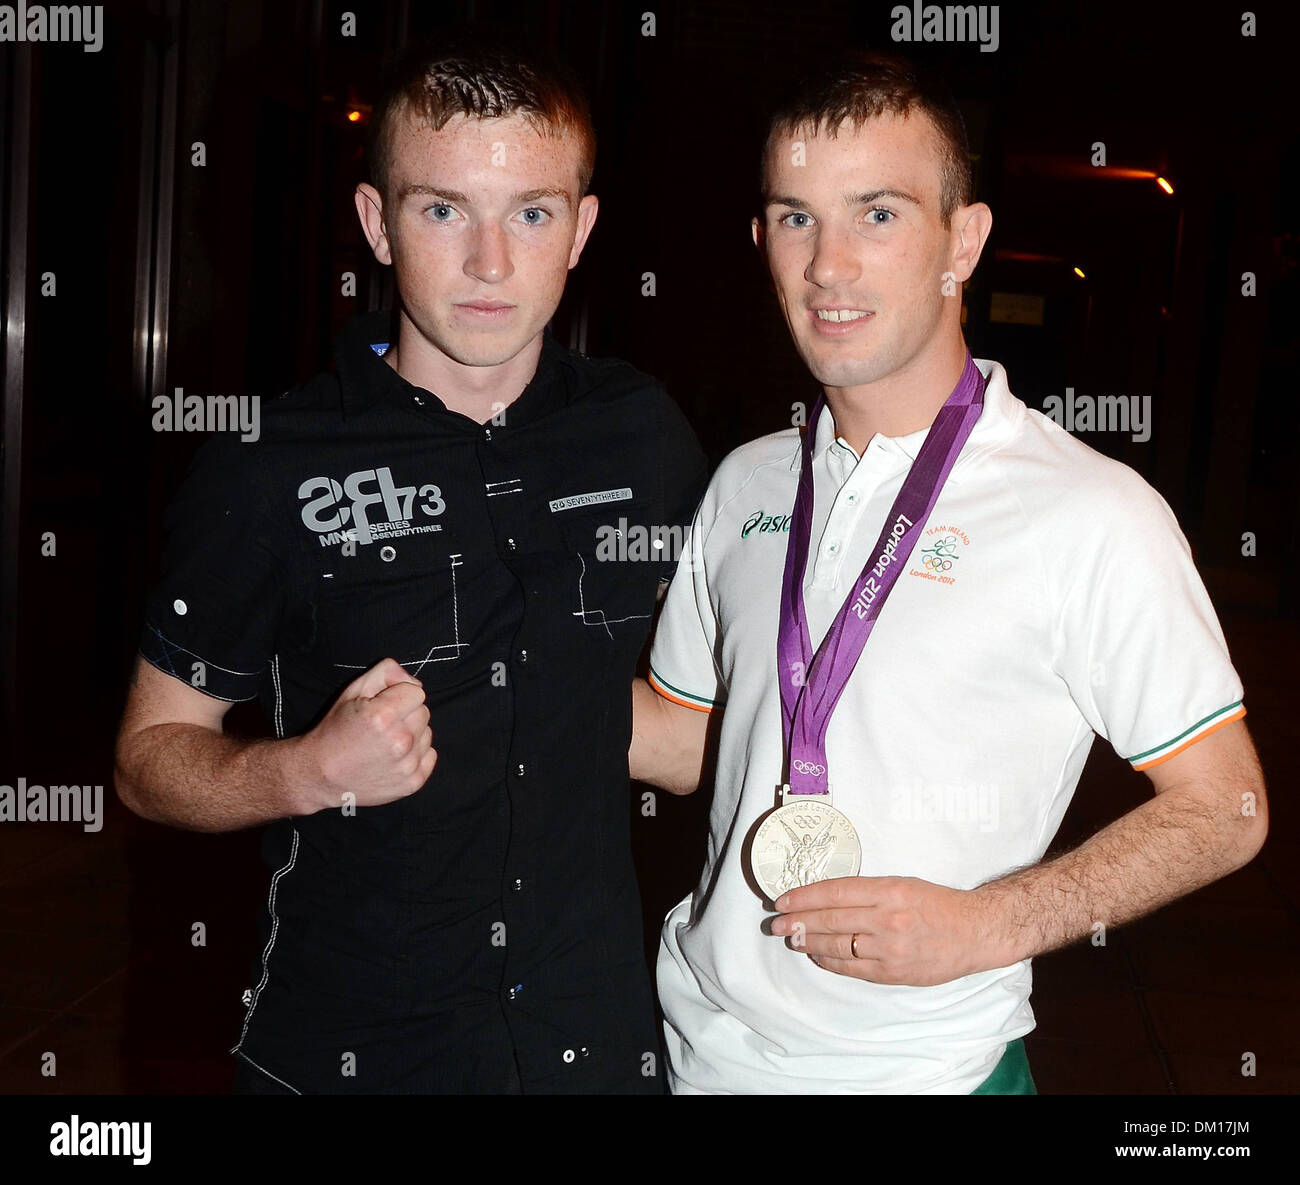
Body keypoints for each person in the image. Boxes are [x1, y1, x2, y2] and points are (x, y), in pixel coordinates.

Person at [628, 50, 1267, 1094]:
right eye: (795, 218)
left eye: (876, 214)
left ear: (959, 242)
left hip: (925, 1072)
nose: (827, 266)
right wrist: (496, 678)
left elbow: (1226, 809)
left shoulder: (1088, 513)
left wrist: (988, 924)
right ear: (760, 241)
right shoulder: (745, 482)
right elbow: (685, 738)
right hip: (693, 1052)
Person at [114, 34, 708, 1094]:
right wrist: (303, 771)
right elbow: (151, 759)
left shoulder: (644, 437)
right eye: (443, 210)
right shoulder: (269, 467)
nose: (490, 262)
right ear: (375, 224)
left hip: (597, 1037)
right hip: (354, 1051)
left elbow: (690, 719)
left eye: (530, 212)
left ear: (582, 229)